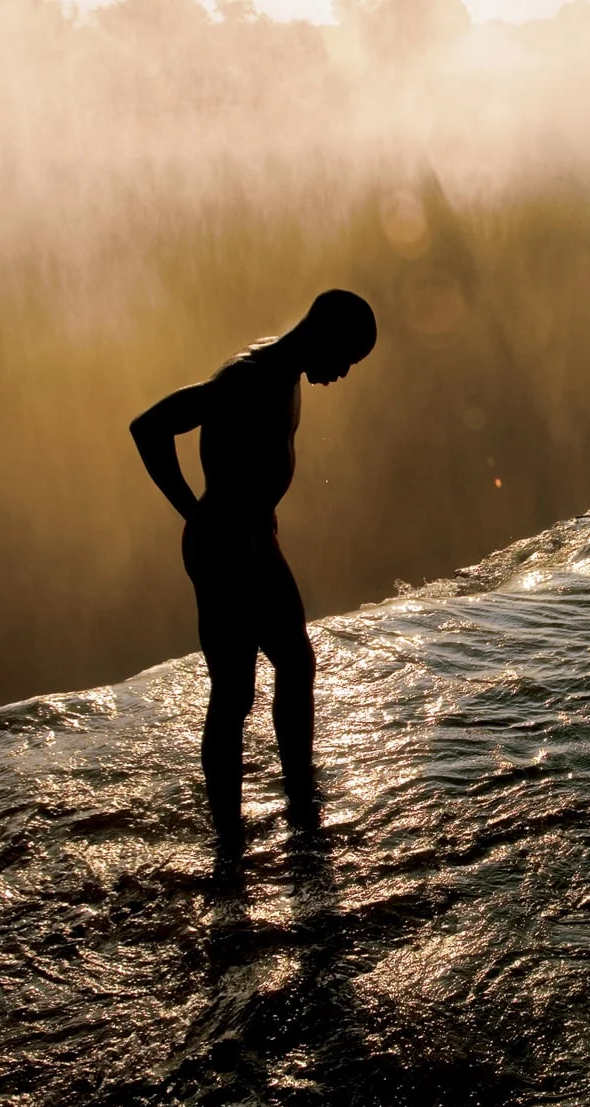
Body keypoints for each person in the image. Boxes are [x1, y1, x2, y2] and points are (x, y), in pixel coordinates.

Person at [130, 290, 377, 855]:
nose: (340, 375)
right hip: (224, 547)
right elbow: (149, 426)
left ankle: (298, 797)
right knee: (236, 691)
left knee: (296, 662)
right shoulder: (250, 377)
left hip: (256, 538)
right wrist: (195, 512)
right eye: (344, 359)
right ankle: (230, 840)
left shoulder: (284, 373)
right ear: (321, 335)